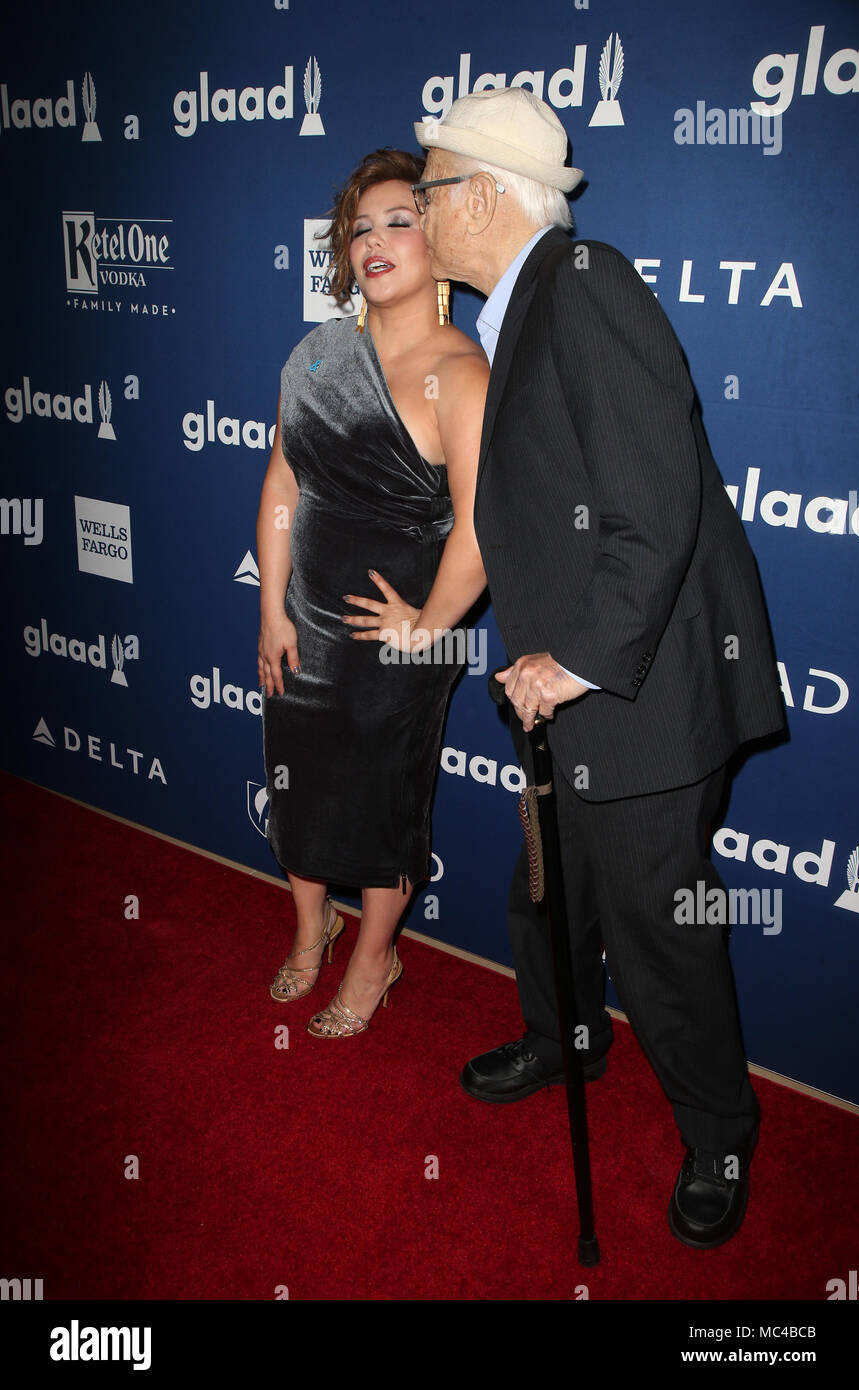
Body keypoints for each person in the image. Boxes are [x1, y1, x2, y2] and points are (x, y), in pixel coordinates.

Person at [412, 88, 787, 1247]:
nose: (418, 215)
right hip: (560, 694)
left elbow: (654, 505)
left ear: (478, 194)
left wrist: (571, 664)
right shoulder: (519, 314)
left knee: (656, 930)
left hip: (637, 698)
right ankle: (563, 1036)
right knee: (547, 891)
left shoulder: (584, 288)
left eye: (427, 192)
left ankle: (719, 1129)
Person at [257, 148, 488, 1039]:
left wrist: (428, 630)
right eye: (361, 228)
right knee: (300, 787)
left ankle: (373, 958)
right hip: (303, 621)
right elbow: (283, 485)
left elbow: (479, 530)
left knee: (382, 802)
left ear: (434, 240)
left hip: (395, 648)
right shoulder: (316, 355)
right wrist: (271, 606)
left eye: (399, 221)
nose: (376, 242)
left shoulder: (461, 374)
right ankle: (311, 930)